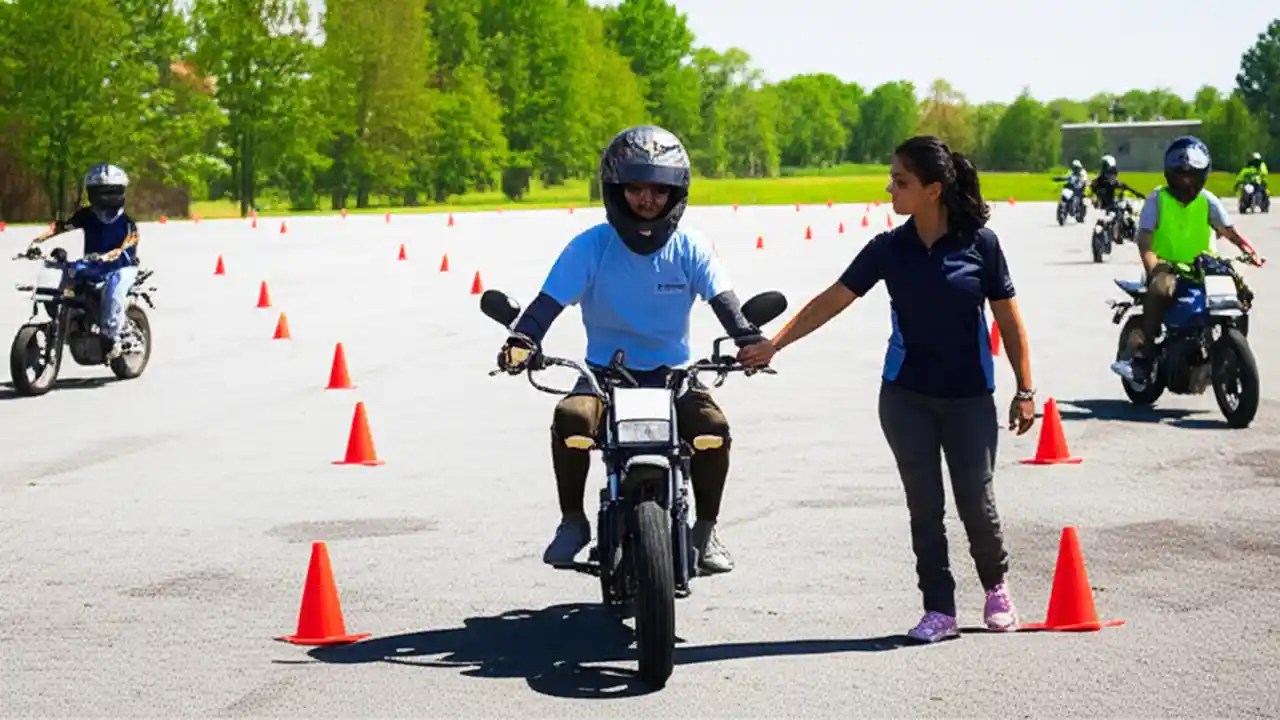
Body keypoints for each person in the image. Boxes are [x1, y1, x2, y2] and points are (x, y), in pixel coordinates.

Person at [738, 135, 1036, 643]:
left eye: (901, 181)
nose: (889, 188)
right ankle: (938, 610)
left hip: (968, 398)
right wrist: (775, 344)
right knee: (924, 505)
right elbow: (832, 299)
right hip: (905, 397)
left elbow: (1009, 322)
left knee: (976, 502)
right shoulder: (888, 249)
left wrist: (1025, 389)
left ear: (934, 190)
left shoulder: (980, 245)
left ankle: (995, 587)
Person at [495, 125, 766, 575]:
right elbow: (547, 304)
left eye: (659, 189)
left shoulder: (690, 246)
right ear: (615, 190)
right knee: (572, 420)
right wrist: (524, 341)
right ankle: (572, 521)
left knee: (713, 429)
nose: (647, 200)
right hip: (603, 375)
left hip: (676, 375)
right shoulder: (591, 246)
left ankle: (706, 528)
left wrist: (748, 340)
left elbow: (725, 302)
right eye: (635, 188)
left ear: (676, 192)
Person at [1110, 136, 1264, 383]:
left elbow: (1229, 231)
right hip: (1167, 267)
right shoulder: (1157, 199)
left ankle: (1230, 350)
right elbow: (1145, 241)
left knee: (1241, 294)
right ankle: (1145, 357)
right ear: (1170, 174)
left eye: (1192, 175)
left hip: (1205, 268)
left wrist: (1249, 250)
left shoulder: (1208, 200)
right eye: (1181, 175)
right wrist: (1154, 267)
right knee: (1160, 290)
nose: (1186, 181)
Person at [26, 163, 141, 361]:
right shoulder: (87, 215)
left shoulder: (127, 222)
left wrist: (109, 255)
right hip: (93, 265)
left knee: (113, 293)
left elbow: (127, 244)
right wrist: (37, 241)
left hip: (121, 268)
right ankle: (68, 321)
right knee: (67, 273)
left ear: (121, 192)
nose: (105, 197)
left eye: (111, 192)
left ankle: (110, 338)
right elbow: (62, 227)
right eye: (100, 192)